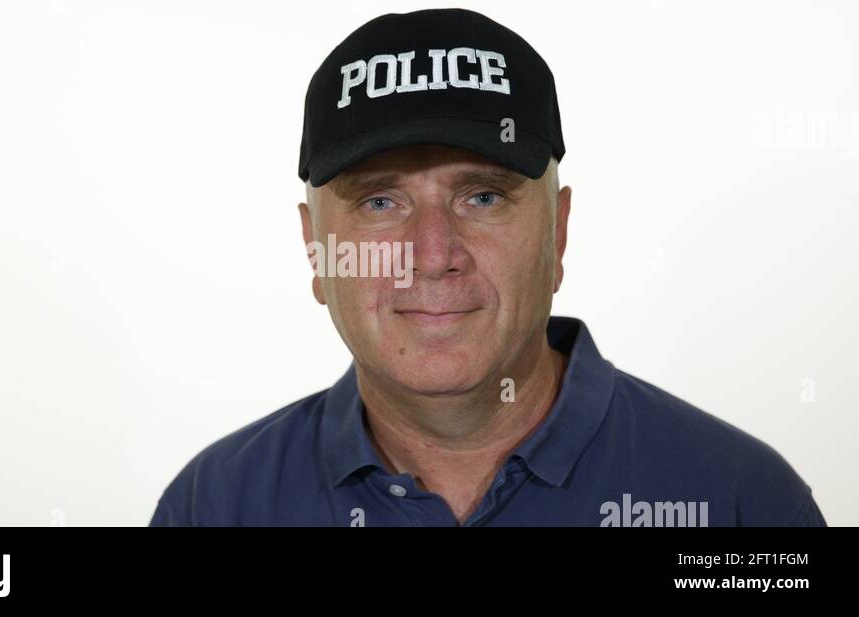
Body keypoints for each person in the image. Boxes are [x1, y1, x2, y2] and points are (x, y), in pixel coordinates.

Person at [150, 8, 826, 526]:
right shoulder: (215, 507)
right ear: (316, 252)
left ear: (557, 232)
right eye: (380, 201)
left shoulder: (740, 503)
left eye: (483, 196)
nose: (435, 253)